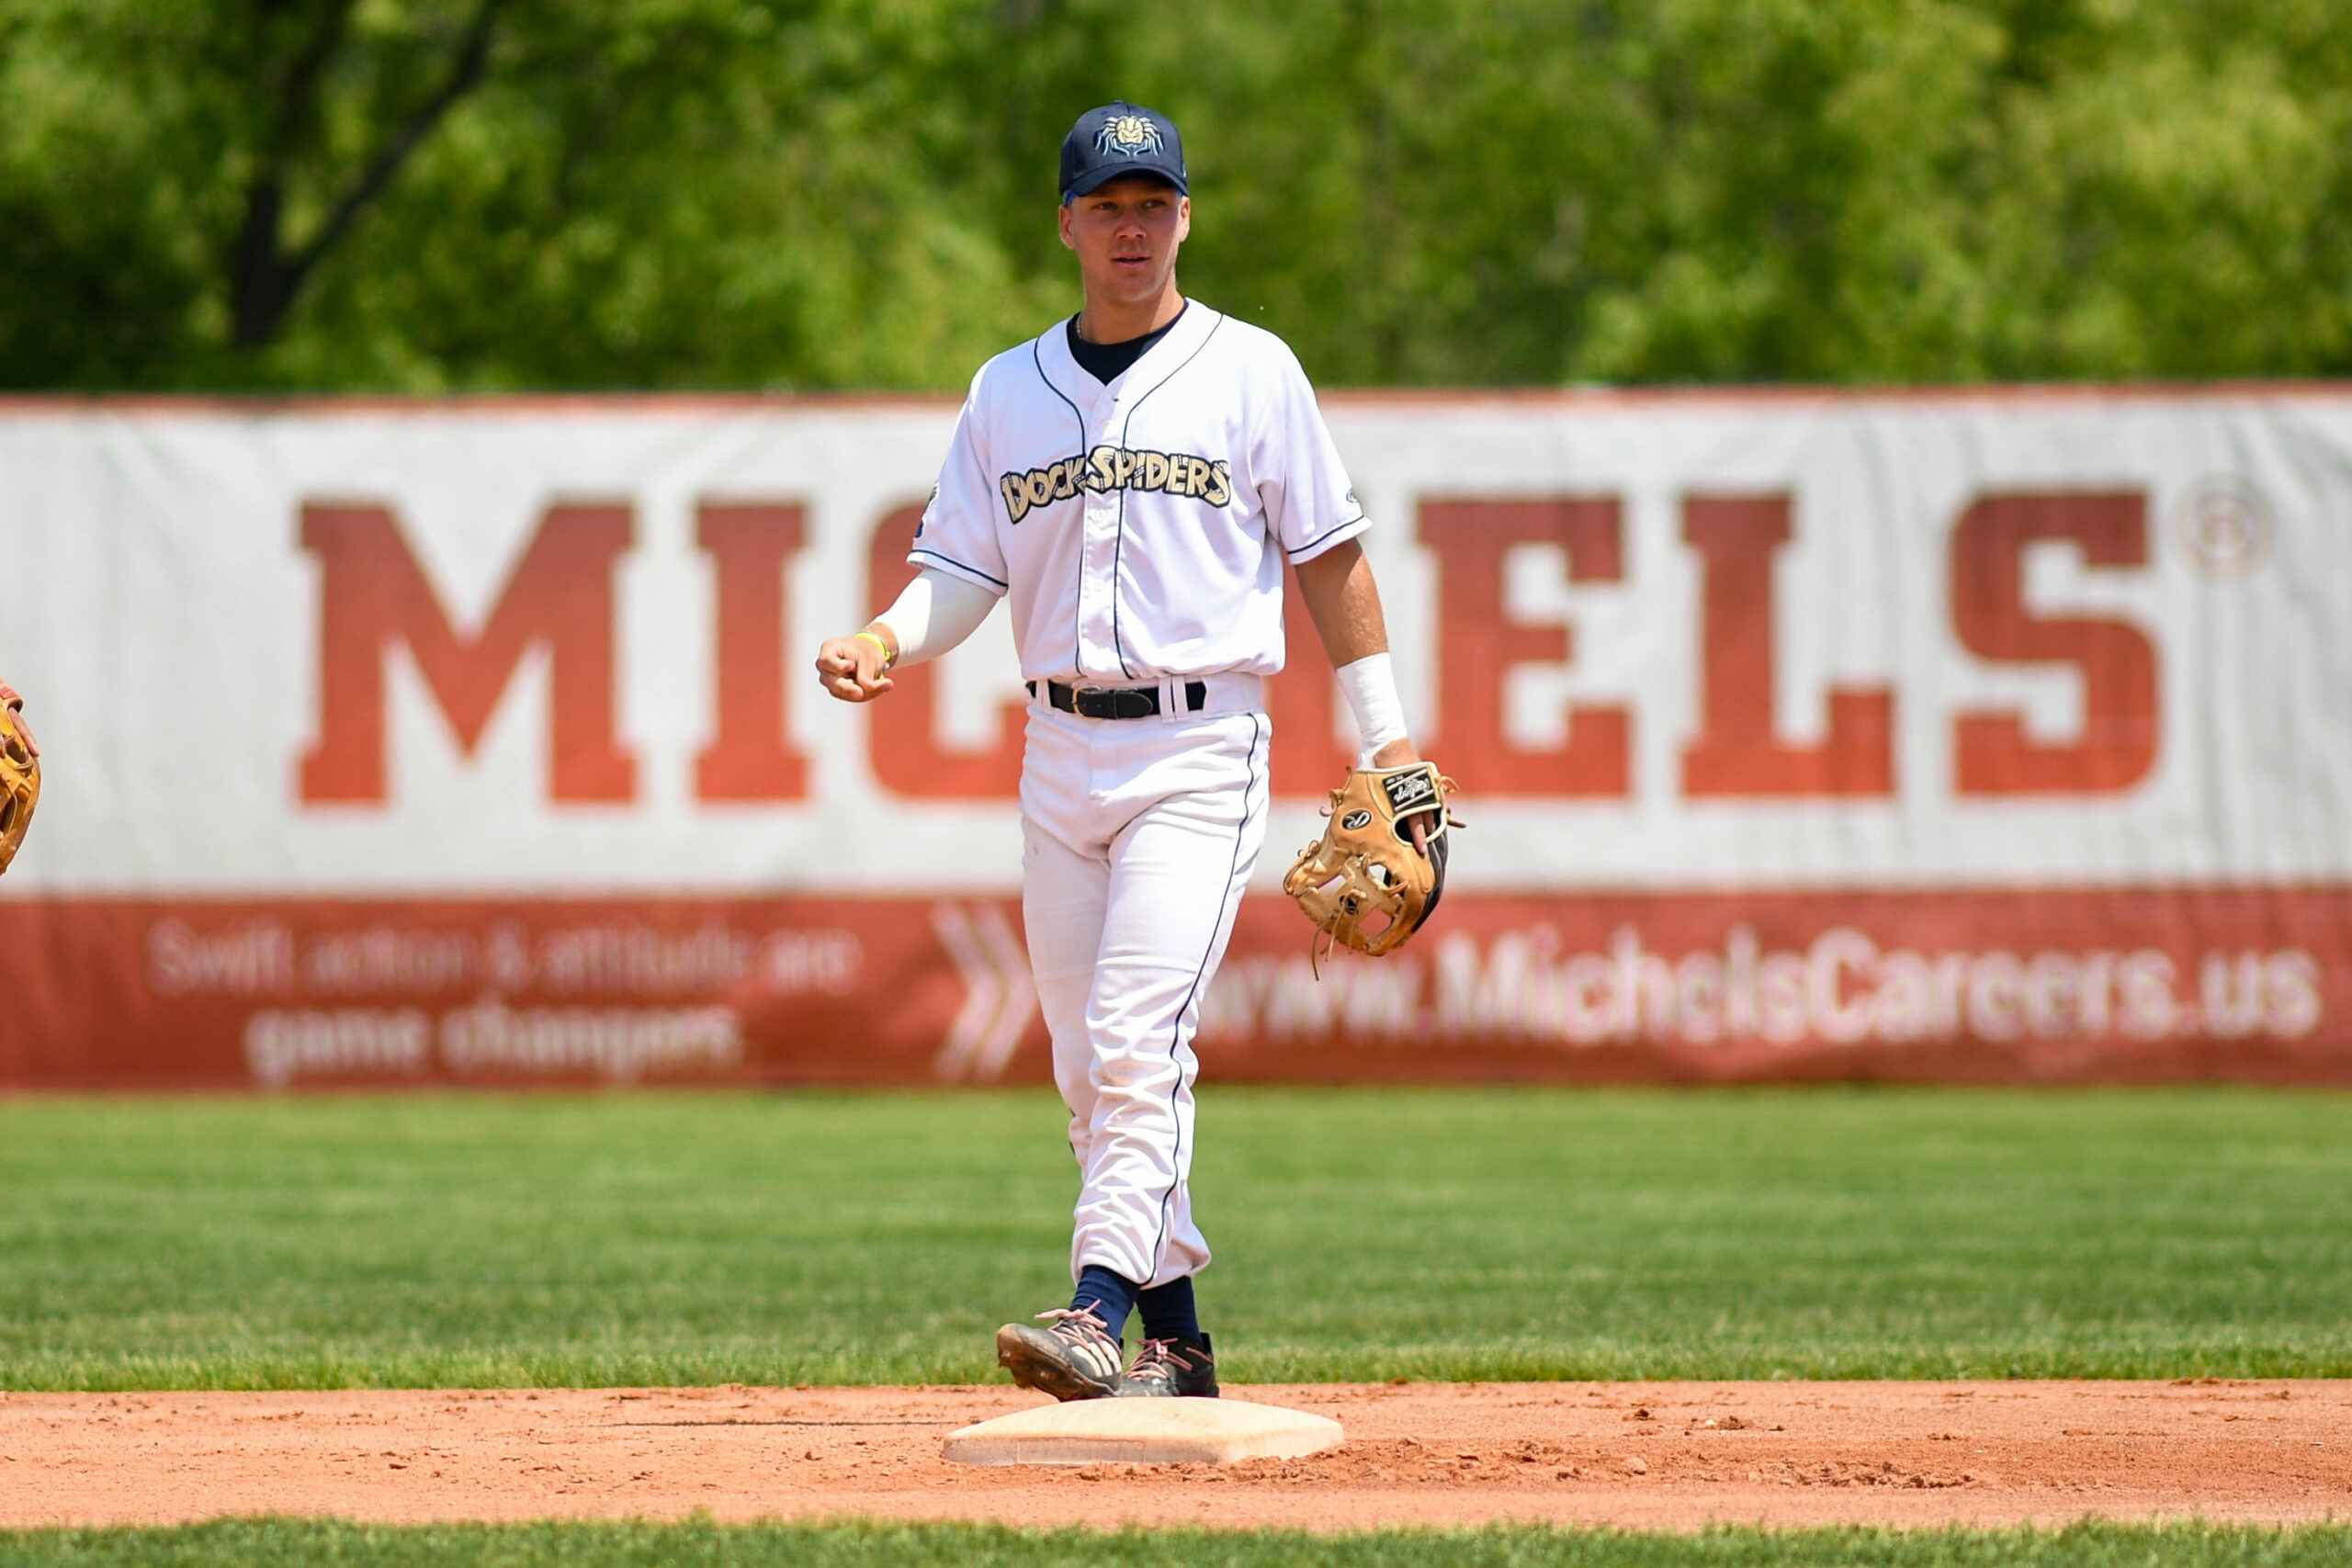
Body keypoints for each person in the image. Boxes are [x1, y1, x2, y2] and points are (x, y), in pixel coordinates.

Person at [814, 101, 1429, 1400]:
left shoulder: (1252, 370)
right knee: (1089, 1070)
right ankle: (1180, 1343)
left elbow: (1330, 558)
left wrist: (1391, 743)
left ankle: (1095, 1313)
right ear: (1067, 226)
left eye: (1154, 203)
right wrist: (886, 636)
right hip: (1057, 748)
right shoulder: (1007, 390)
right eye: (1108, 206)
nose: (1132, 227)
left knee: (1139, 1039)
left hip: (1201, 746)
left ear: (1186, 217)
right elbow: (960, 570)